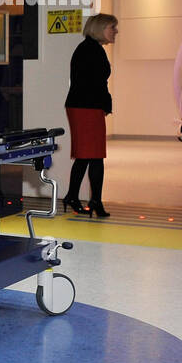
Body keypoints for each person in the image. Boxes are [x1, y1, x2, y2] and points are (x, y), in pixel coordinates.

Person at [63, 12, 118, 218]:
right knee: (94, 156)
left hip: (84, 107)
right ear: (100, 28)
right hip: (86, 108)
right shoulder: (91, 50)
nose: (115, 31)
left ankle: (74, 196)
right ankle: (94, 201)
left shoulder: (90, 49)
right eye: (112, 27)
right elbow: (95, 84)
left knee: (87, 156)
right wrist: (105, 103)